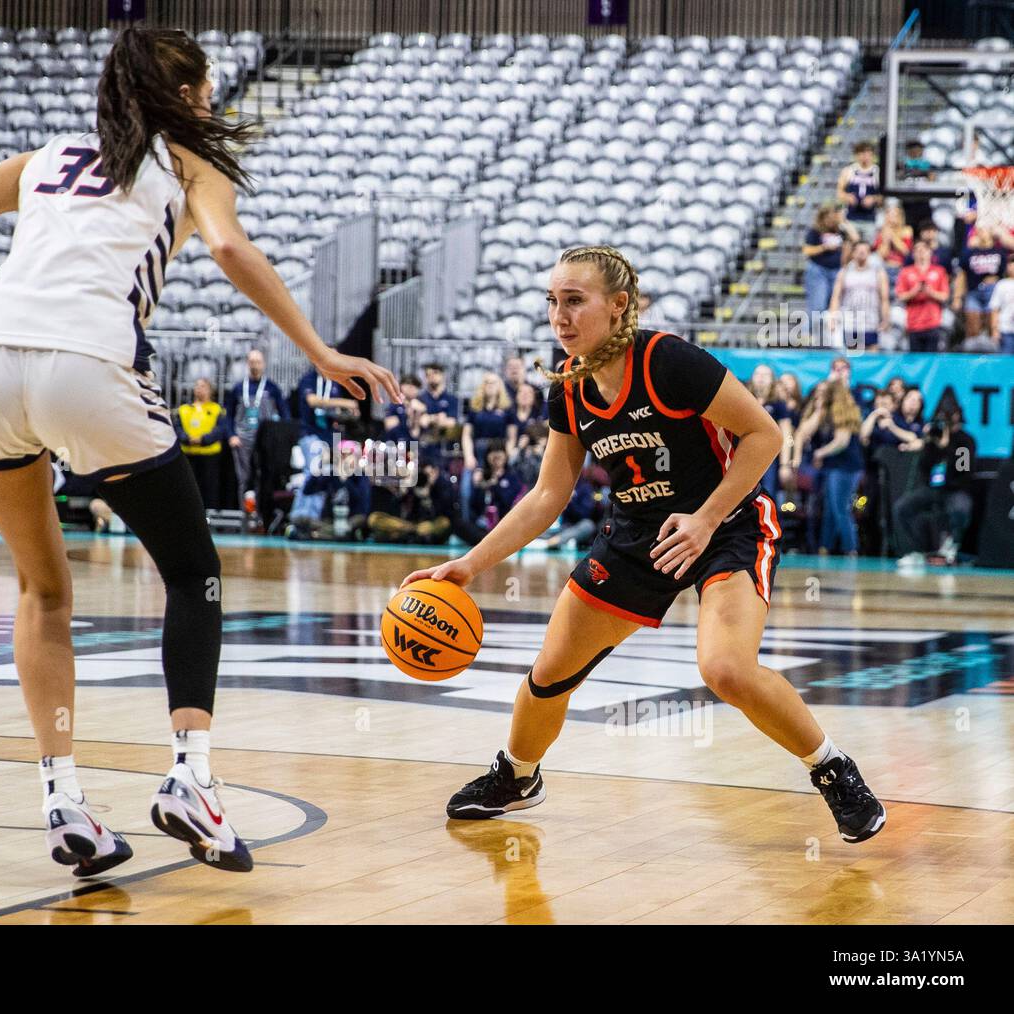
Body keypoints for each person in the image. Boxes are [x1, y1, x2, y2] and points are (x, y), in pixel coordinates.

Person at [0, 26, 401, 877]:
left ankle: (64, 802)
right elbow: (233, 250)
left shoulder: (47, 158)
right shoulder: (187, 162)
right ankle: (190, 780)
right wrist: (320, 350)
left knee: (43, 588)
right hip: (88, 366)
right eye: (202, 92)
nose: (208, 105)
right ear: (187, 96)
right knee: (192, 571)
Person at [402, 245, 884, 844]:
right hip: (637, 534)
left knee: (726, 668)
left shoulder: (666, 360)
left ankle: (832, 769)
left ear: (618, 305)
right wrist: (469, 565)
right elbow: (549, 494)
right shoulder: (568, 387)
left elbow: (765, 434)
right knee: (550, 672)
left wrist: (706, 519)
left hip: (726, 522)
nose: (560, 315)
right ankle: (518, 775)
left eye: (575, 301)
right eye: (552, 301)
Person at [893, 406, 976, 567]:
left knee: (961, 508)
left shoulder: (965, 441)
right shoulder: (933, 439)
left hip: (955, 489)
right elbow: (924, 468)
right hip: (932, 489)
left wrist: (947, 447)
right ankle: (914, 551)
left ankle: (951, 548)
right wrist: (930, 444)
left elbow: (963, 471)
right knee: (902, 507)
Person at [808, 380, 863, 556]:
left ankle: (850, 548)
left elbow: (841, 441)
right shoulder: (830, 412)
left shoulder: (841, 413)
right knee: (831, 509)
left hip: (846, 467)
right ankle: (825, 546)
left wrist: (820, 453)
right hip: (837, 466)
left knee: (840, 508)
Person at [223, 348, 286, 499]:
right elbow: (228, 415)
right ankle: (245, 515)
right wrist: (232, 435)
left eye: (258, 362)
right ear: (247, 363)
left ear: (263, 364)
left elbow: (285, 414)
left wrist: (278, 437)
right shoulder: (238, 388)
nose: (255, 365)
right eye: (252, 362)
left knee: (264, 476)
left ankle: (262, 515)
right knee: (244, 478)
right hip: (243, 439)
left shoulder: (272, 388)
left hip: (265, 439)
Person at [459, 371, 515, 520]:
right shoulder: (475, 408)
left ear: (500, 386)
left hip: (498, 453)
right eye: (487, 382)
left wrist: (505, 457)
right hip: (478, 452)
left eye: (494, 382)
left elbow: (511, 437)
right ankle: (468, 524)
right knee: (466, 491)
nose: (490, 386)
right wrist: (469, 456)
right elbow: (466, 435)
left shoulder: (507, 409)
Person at [175, 376, 229, 510]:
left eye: (203, 386)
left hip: (210, 456)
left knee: (209, 488)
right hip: (188, 455)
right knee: (189, 489)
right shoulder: (183, 409)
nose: (200, 389)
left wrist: (203, 440)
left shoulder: (217, 409)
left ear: (210, 390)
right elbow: (177, 428)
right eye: (197, 386)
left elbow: (220, 430)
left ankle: (210, 518)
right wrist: (187, 438)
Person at [828, 239, 890, 351]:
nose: (862, 253)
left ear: (869, 253)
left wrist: (885, 319)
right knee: (852, 355)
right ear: (853, 253)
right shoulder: (844, 272)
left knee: (872, 355)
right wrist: (832, 318)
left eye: (865, 251)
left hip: (871, 320)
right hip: (850, 320)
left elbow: (884, 298)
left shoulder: (878, 272)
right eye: (859, 251)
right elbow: (836, 297)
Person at [802, 203, 856, 328]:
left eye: (833, 216)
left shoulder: (841, 231)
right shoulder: (815, 231)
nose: (831, 220)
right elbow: (807, 251)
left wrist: (845, 223)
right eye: (829, 217)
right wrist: (824, 247)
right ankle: (808, 339)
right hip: (818, 271)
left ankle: (825, 340)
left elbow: (856, 240)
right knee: (817, 307)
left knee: (832, 309)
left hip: (837, 272)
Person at [952, 226, 1006, 345]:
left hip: (993, 292)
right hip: (973, 291)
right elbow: (961, 276)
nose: (980, 233)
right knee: (972, 325)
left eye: (983, 230)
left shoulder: (999, 252)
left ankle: (993, 355)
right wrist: (957, 298)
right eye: (978, 231)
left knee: (992, 325)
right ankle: (972, 355)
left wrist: (997, 278)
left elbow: (1006, 273)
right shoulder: (969, 253)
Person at [747, 364, 794, 502]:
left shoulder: (778, 404)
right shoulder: (746, 400)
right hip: (746, 455)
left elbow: (786, 434)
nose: (760, 377)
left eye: (765, 375)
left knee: (768, 495)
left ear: (772, 380)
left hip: (769, 459)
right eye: (757, 374)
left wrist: (785, 465)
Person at [896, 240, 950, 352]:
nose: (921, 253)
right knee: (915, 362)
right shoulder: (906, 272)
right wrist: (914, 292)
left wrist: (931, 292)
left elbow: (945, 296)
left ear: (930, 253)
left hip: (933, 323)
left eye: (924, 250)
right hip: (913, 324)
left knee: (932, 360)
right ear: (913, 254)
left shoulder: (939, 271)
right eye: (917, 250)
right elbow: (900, 296)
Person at [838, 141, 881, 228]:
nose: (865, 156)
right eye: (861, 153)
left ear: (872, 154)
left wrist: (874, 198)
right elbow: (839, 192)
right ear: (856, 155)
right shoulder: (848, 171)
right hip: (851, 217)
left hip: (871, 218)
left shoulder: (878, 172)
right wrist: (847, 197)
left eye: (868, 152)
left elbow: (884, 196)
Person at [871, 202, 912, 292]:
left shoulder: (906, 230)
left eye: (895, 215)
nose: (892, 217)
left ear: (900, 217)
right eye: (889, 214)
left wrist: (891, 235)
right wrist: (886, 240)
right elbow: (881, 255)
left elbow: (905, 251)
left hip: (900, 269)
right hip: (884, 268)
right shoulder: (881, 233)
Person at [990, 258, 1014, 354]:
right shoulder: (1002, 284)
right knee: (1006, 360)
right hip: (1006, 329)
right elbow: (995, 308)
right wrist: (995, 329)